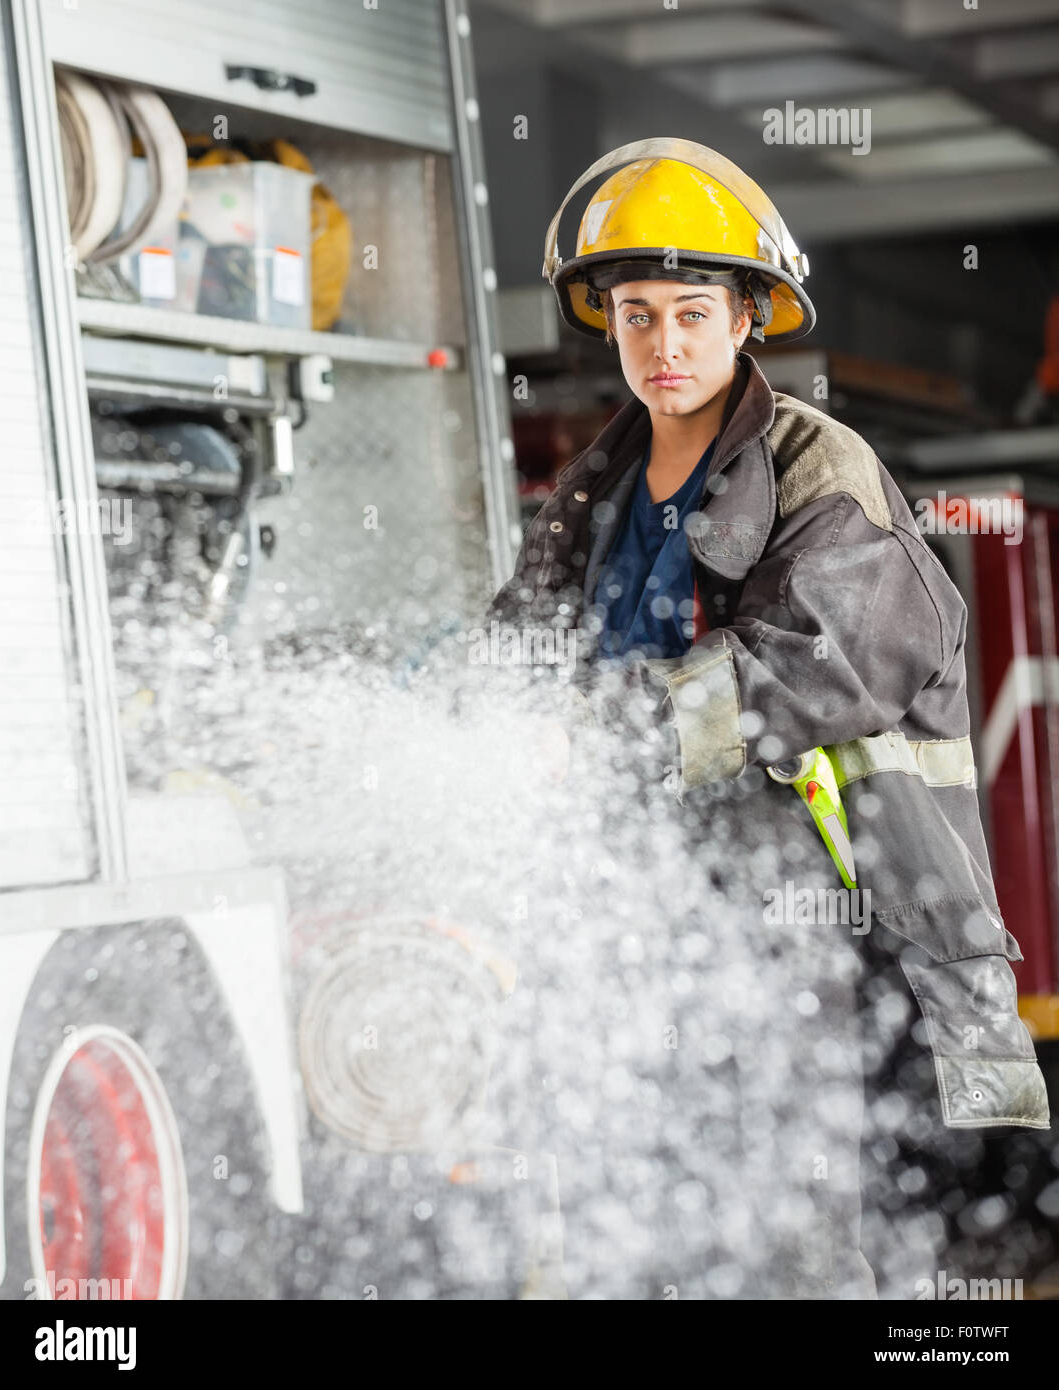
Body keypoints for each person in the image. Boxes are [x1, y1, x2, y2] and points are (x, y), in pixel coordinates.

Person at [476, 137, 1050, 1299]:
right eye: (635, 314)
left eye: (692, 311)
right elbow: (518, 649)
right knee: (676, 1230)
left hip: (845, 930)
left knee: (824, 1245)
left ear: (747, 319)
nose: (664, 343)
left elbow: (820, 663)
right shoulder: (598, 490)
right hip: (664, 929)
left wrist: (606, 729)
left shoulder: (817, 466)